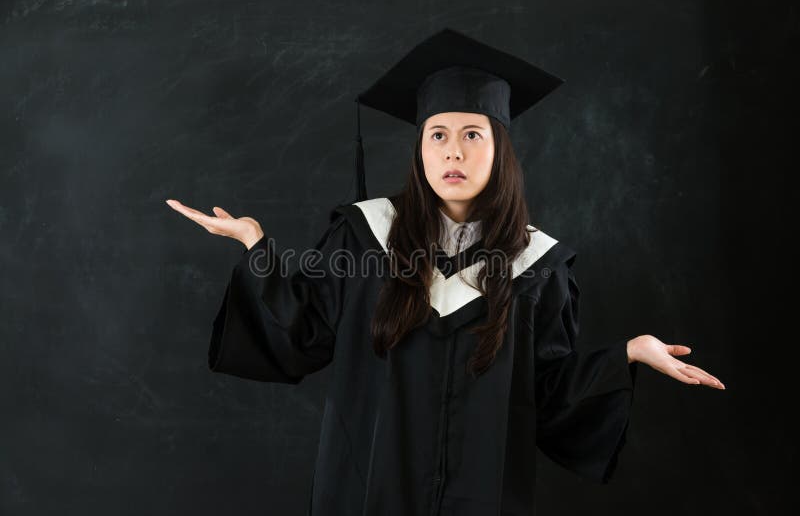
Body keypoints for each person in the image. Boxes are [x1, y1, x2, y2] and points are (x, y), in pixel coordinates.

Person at [166, 28, 724, 516]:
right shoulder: (363, 239)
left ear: (499, 149)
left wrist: (627, 353)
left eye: (471, 134)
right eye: (438, 134)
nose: (452, 151)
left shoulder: (537, 267)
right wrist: (256, 245)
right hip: (368, 493)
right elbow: (302, 331)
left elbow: (547, 394)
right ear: (421, 149)